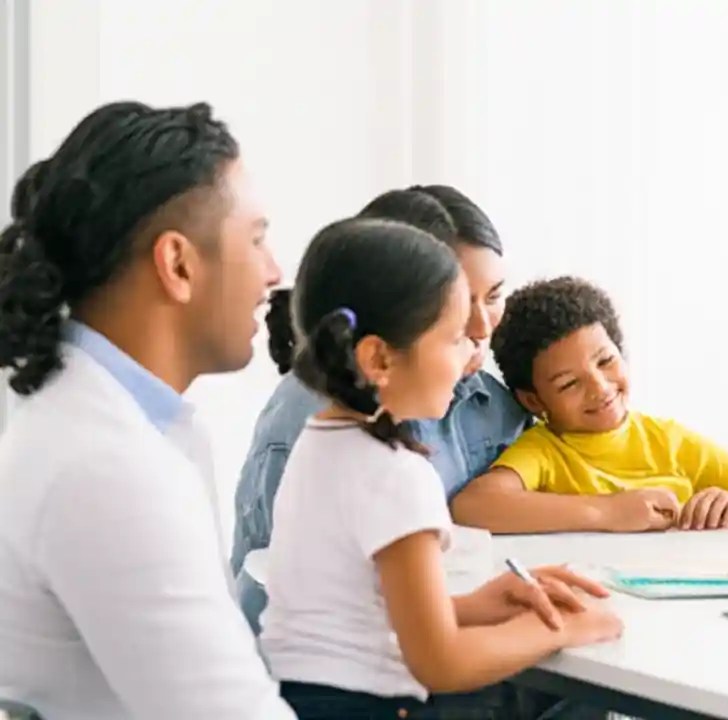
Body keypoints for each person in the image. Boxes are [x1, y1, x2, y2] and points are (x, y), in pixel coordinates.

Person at [258, 218, 622, 719]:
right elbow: (440, 661)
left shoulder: (320, 443)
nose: (469, 358)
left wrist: (480, 603)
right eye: (454, 340)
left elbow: (360, 616)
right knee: (572, 700)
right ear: (378, 358)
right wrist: (561, 628)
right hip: (372, 710)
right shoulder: (394, 472)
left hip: (304, 701)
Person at [0, 101, 292, 718]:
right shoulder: (105, 467)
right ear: (178, 264)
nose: (274, 272)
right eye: (258, 240)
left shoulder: (110, 423)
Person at [231, 185, 529, 630]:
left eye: (493, 296)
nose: (482, 326)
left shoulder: (492, 402)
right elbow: (286, 603)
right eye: (461, 303)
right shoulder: (318, 422)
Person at [451, 276, 728, 533]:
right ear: (533, 400)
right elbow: (473, 506)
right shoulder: (545, 452)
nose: (600, 388)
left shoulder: (670, 440)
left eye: (606, 361)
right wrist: (607, 511)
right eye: (569, 384)